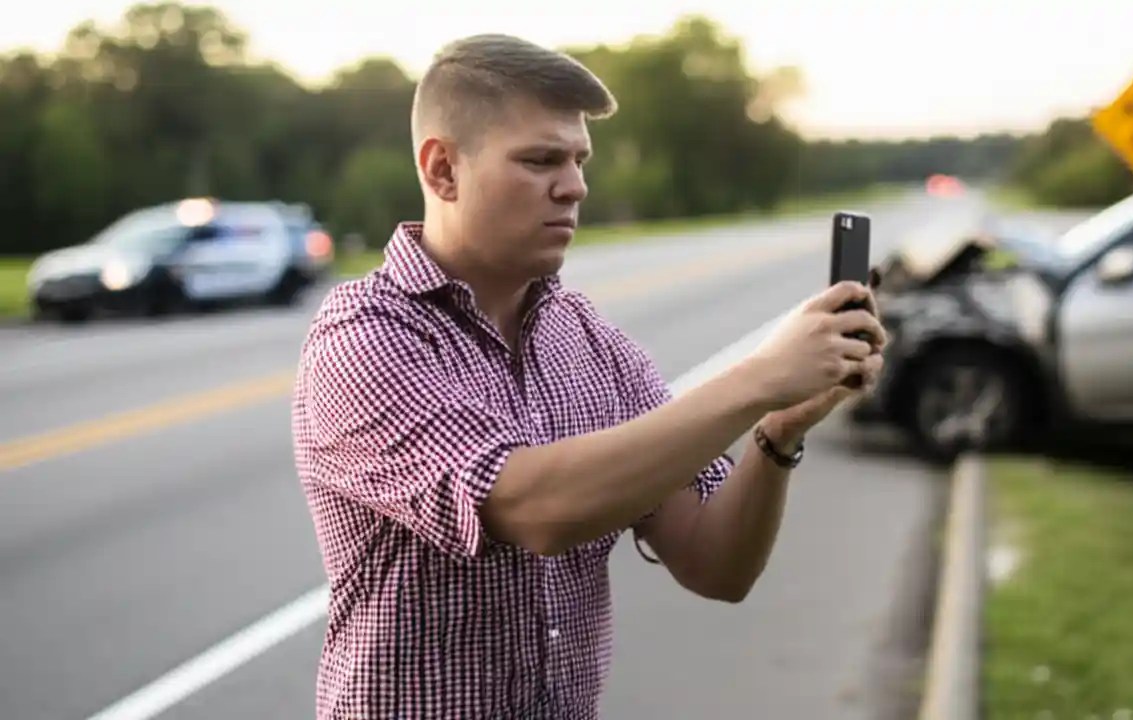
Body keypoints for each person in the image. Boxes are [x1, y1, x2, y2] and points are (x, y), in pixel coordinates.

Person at [291, 33, 887, 720]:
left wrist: (781, 425)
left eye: (578, 160)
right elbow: (535, 510)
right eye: (541, 160)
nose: (575, 185)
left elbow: (716, 564)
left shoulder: (592, 343)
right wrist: (756, 378)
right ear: (443, 170)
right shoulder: (364, 337)